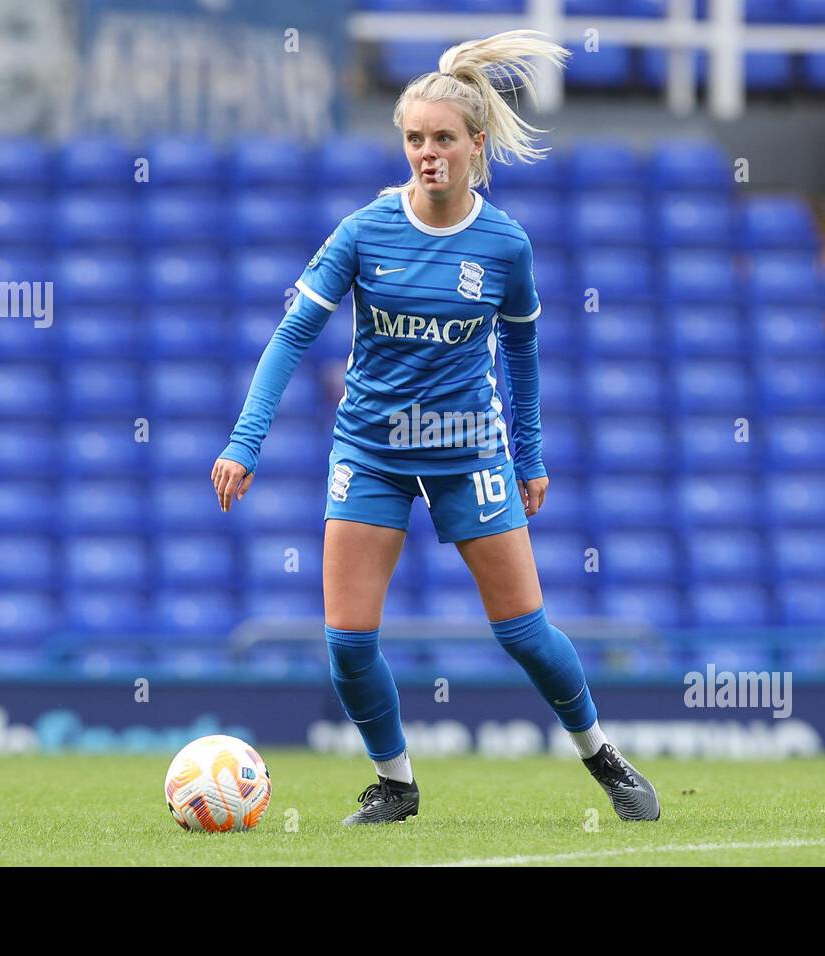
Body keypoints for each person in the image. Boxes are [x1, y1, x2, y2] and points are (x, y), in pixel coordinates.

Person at [211, 30, 660, 825]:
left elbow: (521, 354)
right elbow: (291, 337)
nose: (427, 152)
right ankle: (396, 785)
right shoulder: (363, 233)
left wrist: (529, 454)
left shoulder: (504, 246)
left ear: (476, 145)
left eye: (443, 138)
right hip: (372, 452)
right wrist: (246, 442)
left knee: (523, 630)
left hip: (467, 452)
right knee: (348, 643)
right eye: (414, 138)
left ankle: (601, 754)